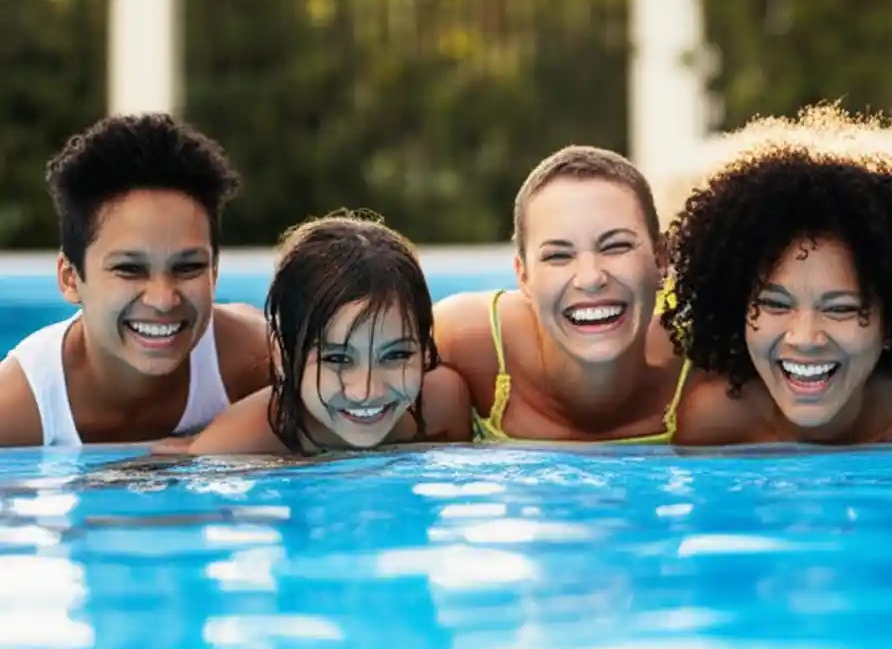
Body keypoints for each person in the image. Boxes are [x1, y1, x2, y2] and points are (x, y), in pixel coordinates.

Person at [663, 105, 892, 447]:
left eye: (840, 309)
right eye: (775, 304)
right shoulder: (714, 422)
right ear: (738, 312)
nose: (805, 338)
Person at [0, 113, 271, 448]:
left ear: (214, 273)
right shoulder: (19, 410)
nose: (163, 299)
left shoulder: (255, 363)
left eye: (188, 268)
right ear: (70, 279)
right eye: (130, 269)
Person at [432, 145, 689, 444]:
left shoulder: (698, 372)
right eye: (557, 256)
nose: (591, 278)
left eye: (616, 246)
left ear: (661, 260)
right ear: (524, 277)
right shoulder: (468, 341)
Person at [187, 210, 472, 455]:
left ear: (424, 351)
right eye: (337, 359)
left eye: (395, 355)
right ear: (281, 355)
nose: (366, 392)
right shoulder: (238, 445)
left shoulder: (442, 407)